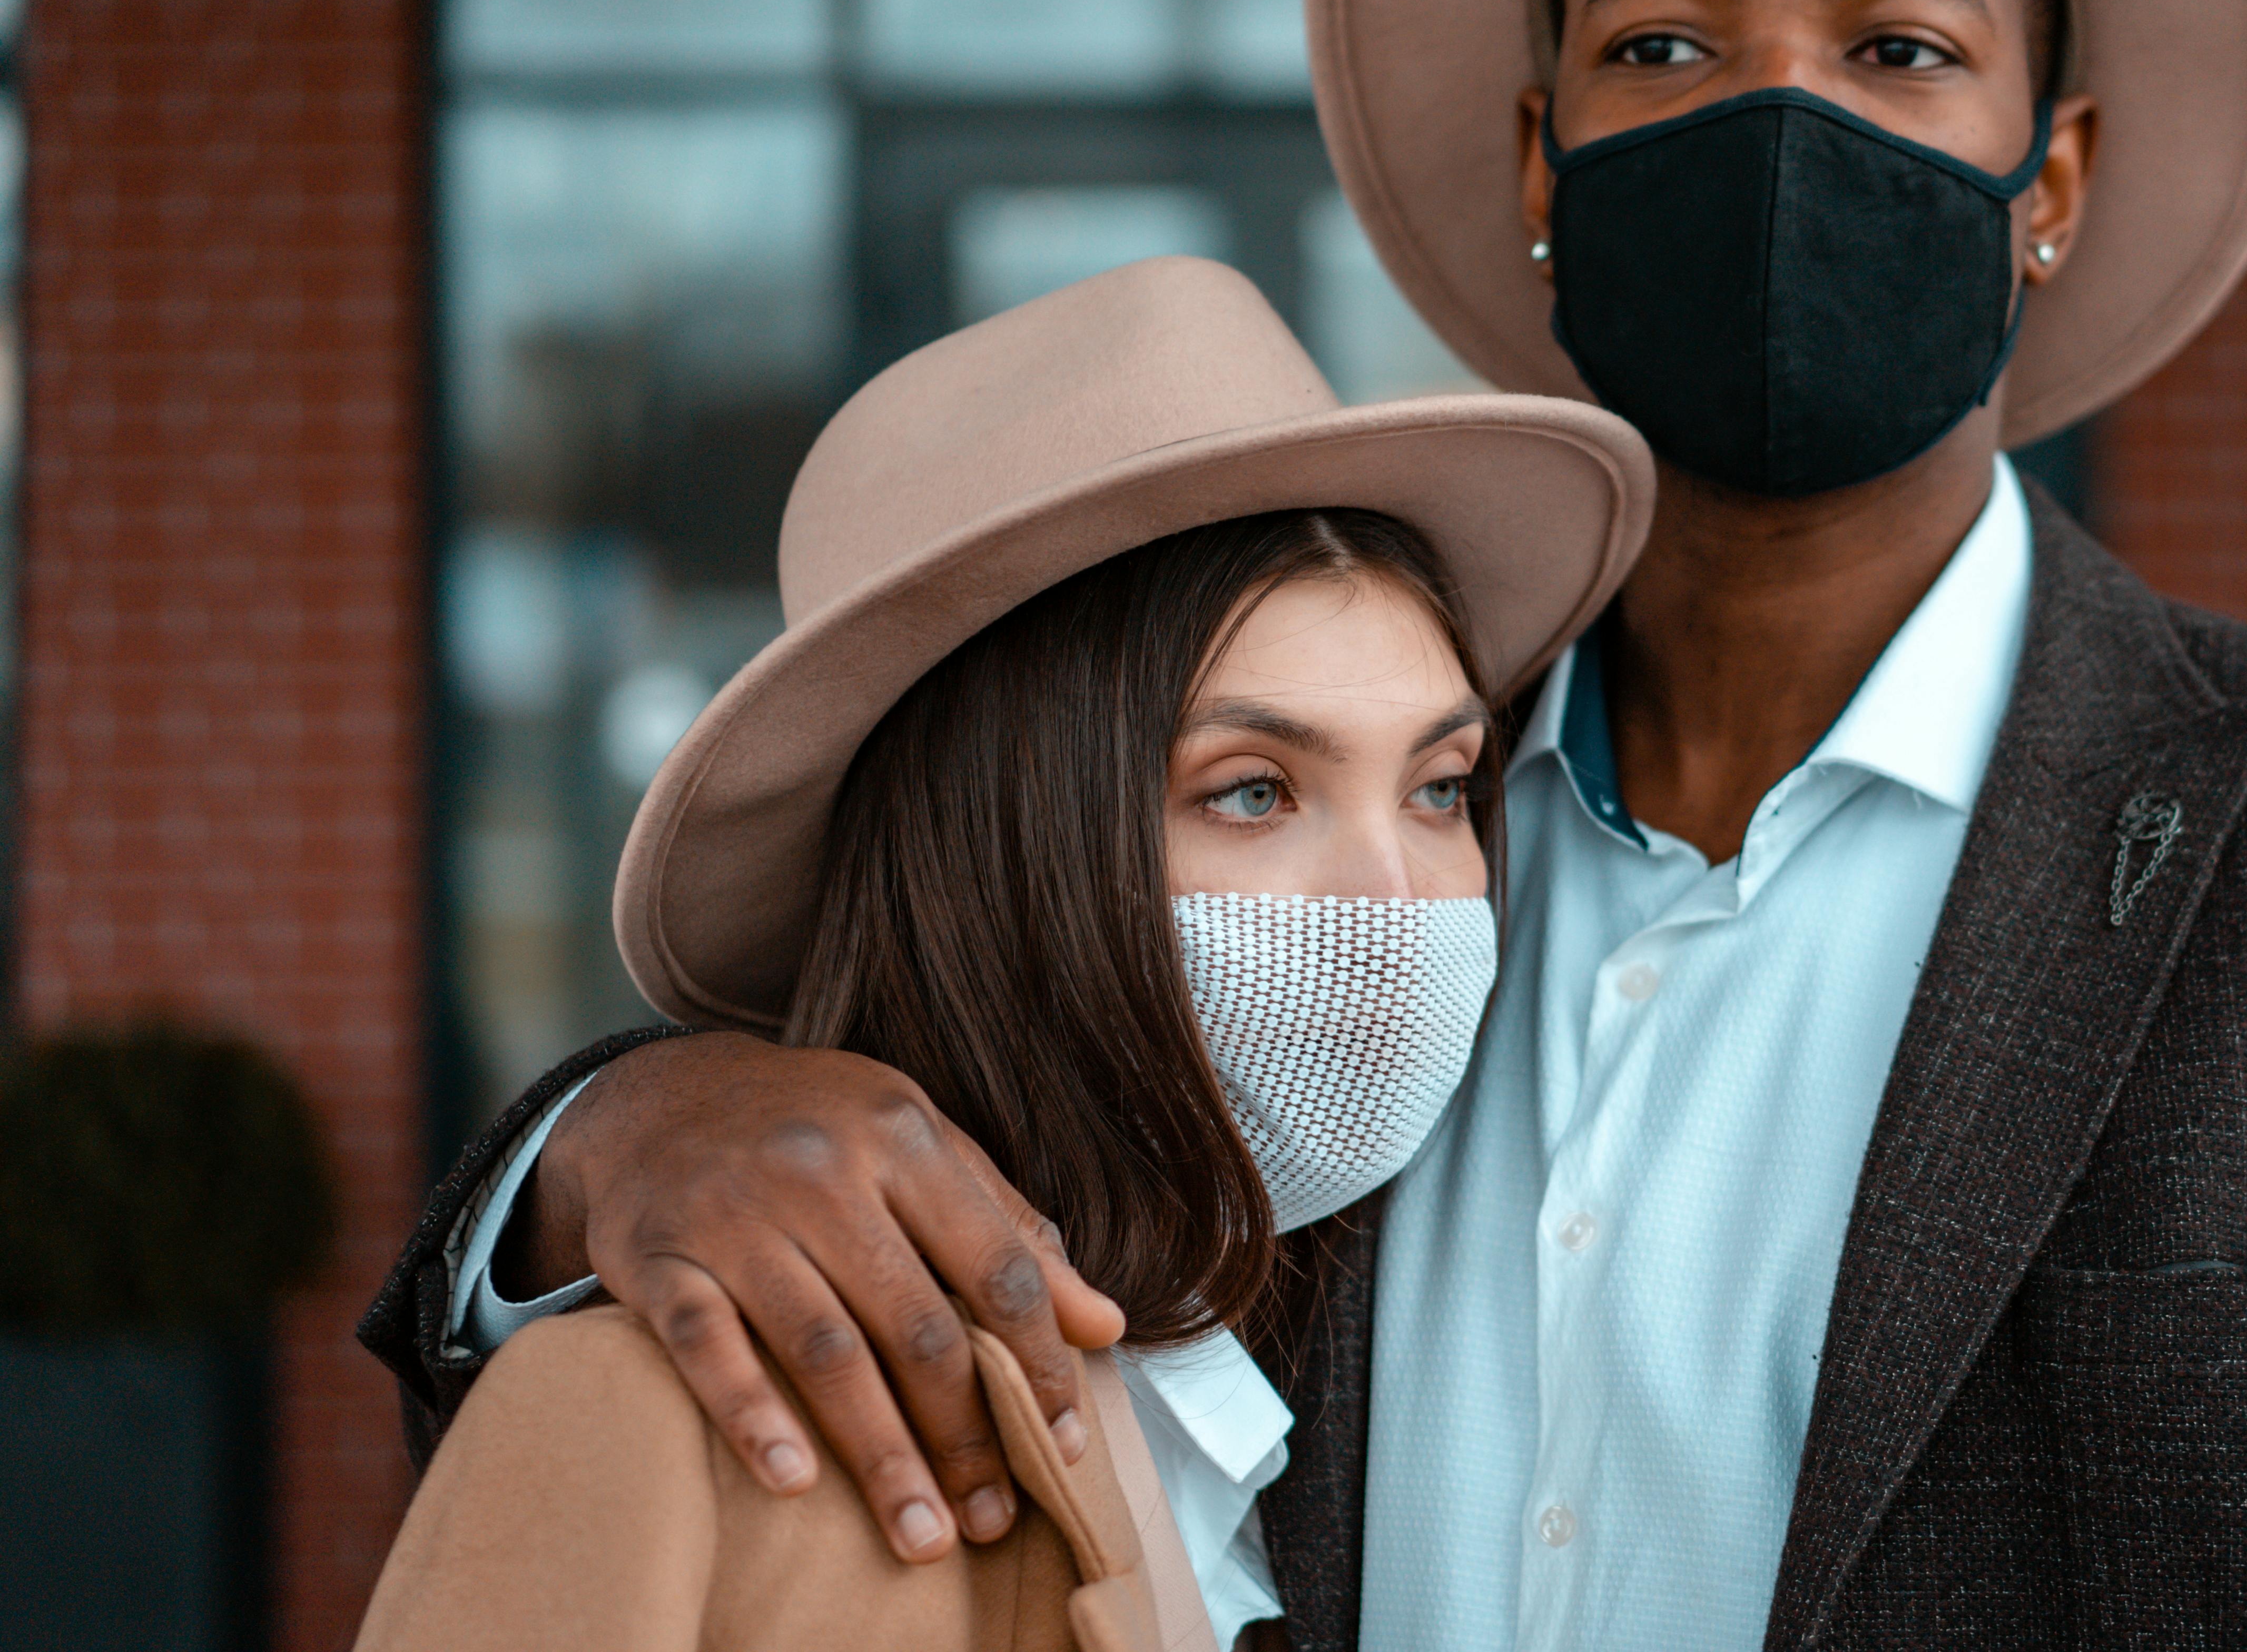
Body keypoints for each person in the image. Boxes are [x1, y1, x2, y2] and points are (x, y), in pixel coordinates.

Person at [364, 0, 2247, 1649]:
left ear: (2052, 182)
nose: (1778, 116)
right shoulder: (1324, 826)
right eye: (1664, 42)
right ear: (1542, 161)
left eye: (1902, 47)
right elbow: (931, 1075)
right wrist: (629, 1126)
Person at [352, 256, 1650, 1652]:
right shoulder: (676, 1411)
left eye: (1441, 786)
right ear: (996, 850)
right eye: (1254, 791)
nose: (1396, 897)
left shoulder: (1354, 1355)